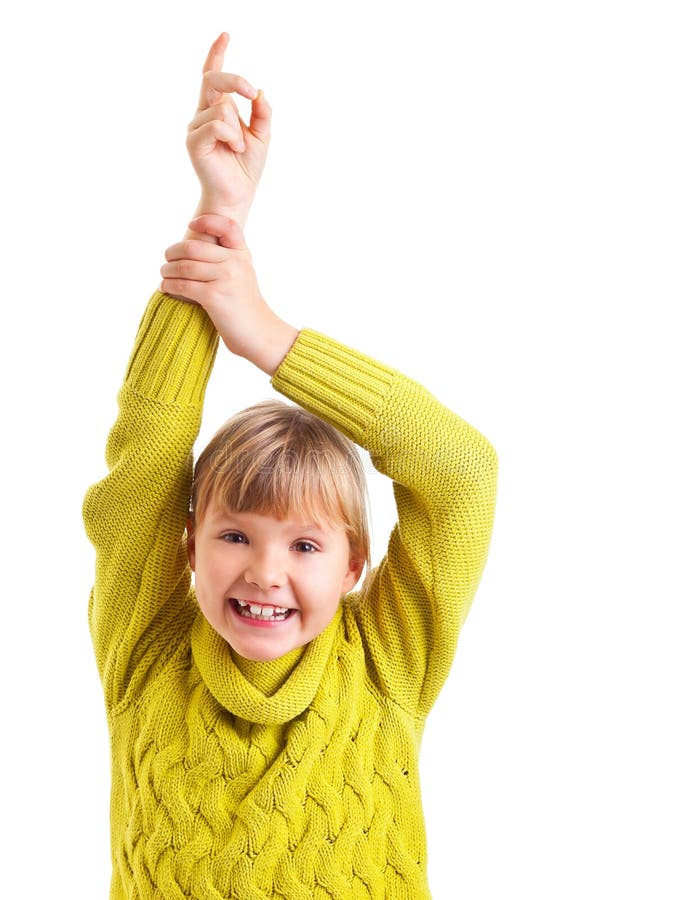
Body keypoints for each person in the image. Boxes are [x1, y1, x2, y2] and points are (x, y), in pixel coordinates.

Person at [83, 32, 498, 899]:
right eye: (235, 532)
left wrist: (263, 333)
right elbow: (148, 460)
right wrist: (220, 215)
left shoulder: (385, 660)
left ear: (356, 566)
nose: (264, 572)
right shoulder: (147, 648)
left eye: (305, 546)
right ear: (189, 542)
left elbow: (461, 469)